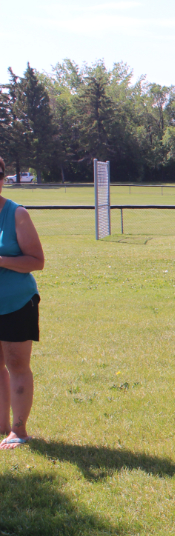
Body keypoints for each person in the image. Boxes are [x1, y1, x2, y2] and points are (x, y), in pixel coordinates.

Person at [0, 156, 44, 451]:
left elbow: (37, 261)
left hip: (16, 303)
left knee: (16, 363)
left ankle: (19, 430)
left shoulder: (17, 214)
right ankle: (2, 427)